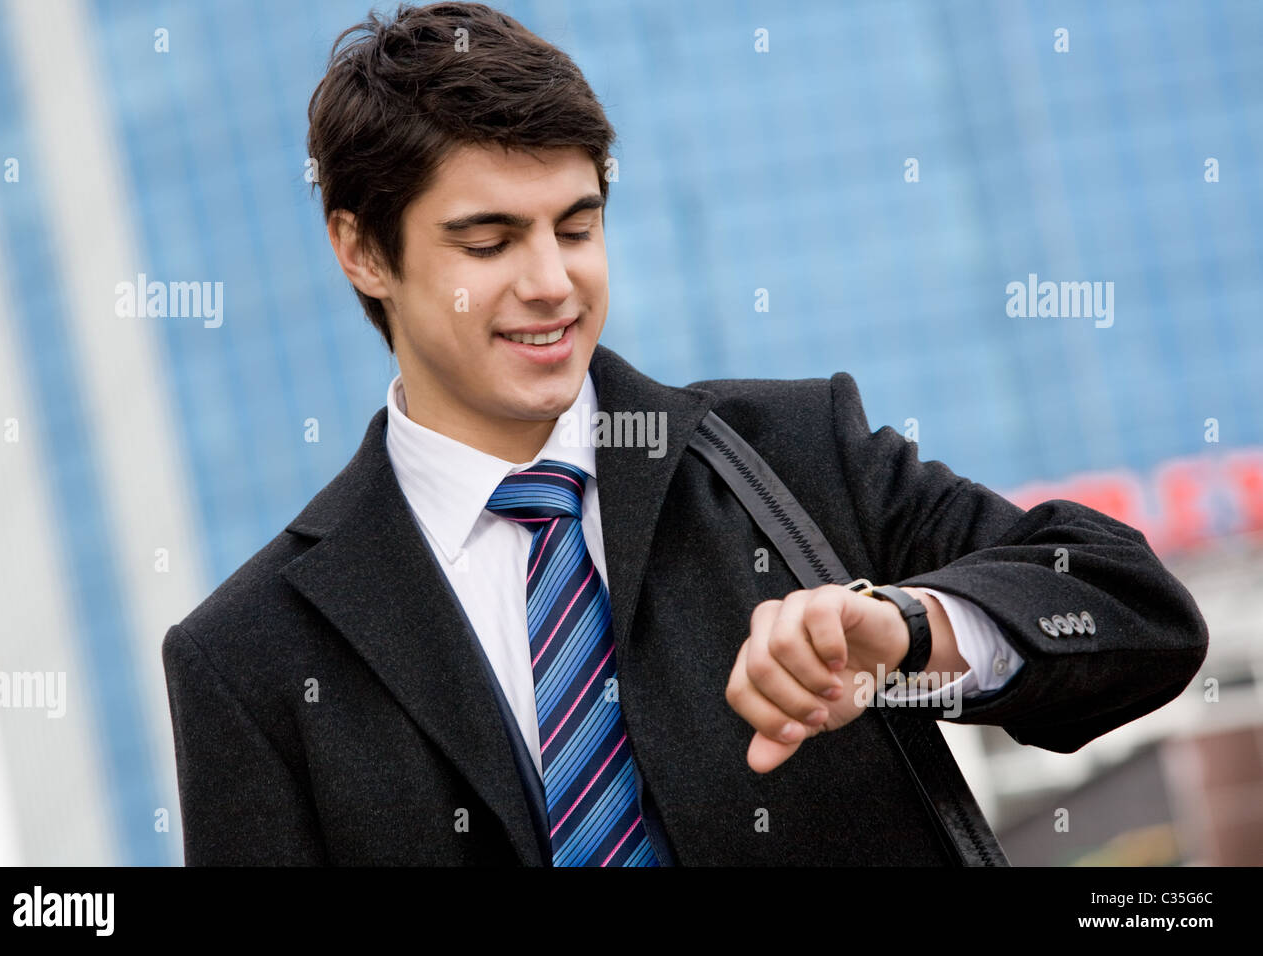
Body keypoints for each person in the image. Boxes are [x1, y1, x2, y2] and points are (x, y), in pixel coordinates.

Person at [161, 2, 1209, 866]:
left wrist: (909, 632)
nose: (549, 281)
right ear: (362, 251)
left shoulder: (793, 454)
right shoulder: (249, 660)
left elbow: (1135, 613)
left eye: (576, 226)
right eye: (488, 239)